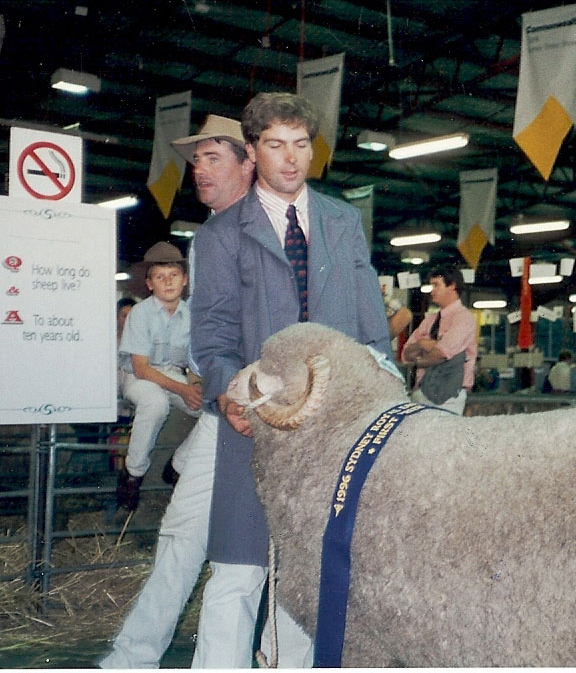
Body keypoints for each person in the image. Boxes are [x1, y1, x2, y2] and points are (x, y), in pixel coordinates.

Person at [189, 92, 389, 667]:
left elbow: (371, 323)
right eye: (276, 145)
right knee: (239, 569)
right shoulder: (222, 235)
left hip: (334, 429)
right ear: (253, 151)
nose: (291, 159)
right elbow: (213, 337)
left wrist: (384, 381)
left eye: (301, 145)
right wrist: (232, 394)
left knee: (310, 576)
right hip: (256, 422)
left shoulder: (342, 221)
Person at [101, 115, 254, 668]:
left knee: (247, 560)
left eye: (212, 157)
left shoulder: (269, 234)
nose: (198, 169)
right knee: (180, 533)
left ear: (247, 162)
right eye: (195, 159)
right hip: (219, 410)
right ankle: (132, 656)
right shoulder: (208, 239)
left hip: (258, 411)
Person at [115, 242, 201, 512]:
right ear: (150, 284)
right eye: (160, 276)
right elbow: (140, 367)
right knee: (155, 403)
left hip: (174, 375)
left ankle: (178, 465)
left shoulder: (192, 316)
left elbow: (195, 364)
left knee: (215, 409)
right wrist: (184, 390)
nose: (168, 281)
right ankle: (133, 474)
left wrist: (195, 387)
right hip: (140, 378)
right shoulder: (139, 313)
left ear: (185, 280)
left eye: (174, 275)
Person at [402, 266, 477, 415]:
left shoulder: (464, 319)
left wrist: (420, 358)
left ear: (452, 286)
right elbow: (406, 353)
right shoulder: (429, 321)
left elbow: (441, 353)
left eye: (436, 285)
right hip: (421, 392)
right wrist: (424, 345)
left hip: (448, 395)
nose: (432, 291)